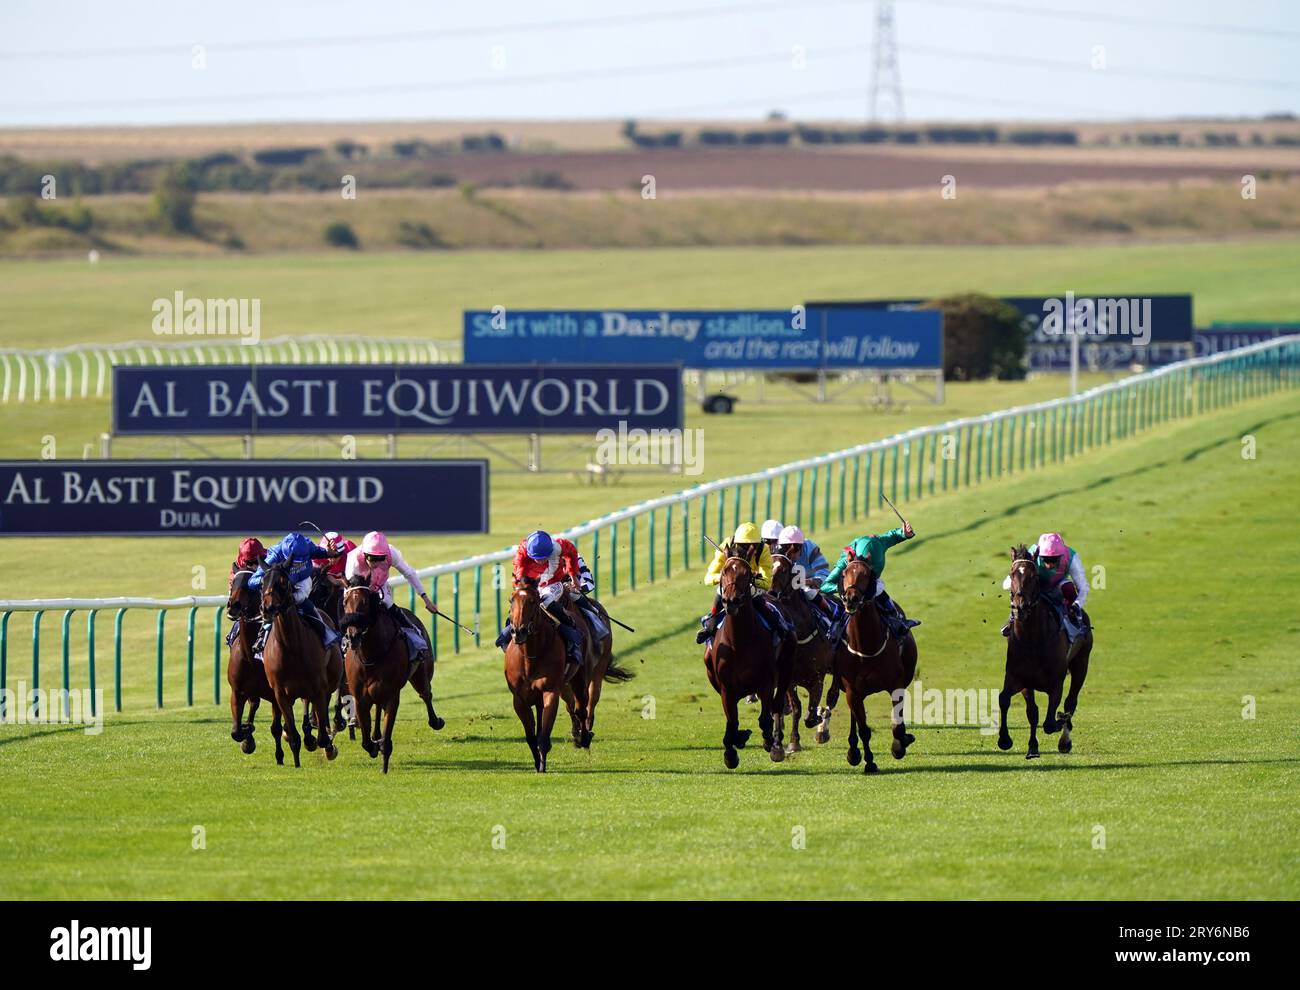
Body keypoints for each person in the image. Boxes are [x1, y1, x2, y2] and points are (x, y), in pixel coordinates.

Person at [494, 530, 600, 673]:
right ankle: (506, 635)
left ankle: (572, 639)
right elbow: (520, 571)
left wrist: (573, 576)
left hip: (553, 583)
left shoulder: (560, 546)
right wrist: (522, 587)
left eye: (544, 557)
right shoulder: (523, 550)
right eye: (536, 558)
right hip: (531, 584)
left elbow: (572, 554)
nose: (540, 561)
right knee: (520, 605)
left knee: (546, 601)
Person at [345, 531, 437, 662]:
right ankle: (342, 642)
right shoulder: (354, 559)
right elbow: (353, 588)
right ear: (364, 554)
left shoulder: (391, 553)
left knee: (389, 605)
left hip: (380, 585)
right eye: (372, 558)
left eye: (380, 558)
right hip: (357, 588)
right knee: (352, 609)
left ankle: (417, 642)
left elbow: (409, 573)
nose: (376, 563)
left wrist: (425, 598)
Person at [697, 521, 793, 646]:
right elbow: (708, 578)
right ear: (736, 543)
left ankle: (778, 626)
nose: (747, 550)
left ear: (757, 544)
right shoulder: (727, 546)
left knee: (757, 599)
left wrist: (749, 579)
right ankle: (710, 626)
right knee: (720, 592)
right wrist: (727, 577)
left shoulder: (762, 550)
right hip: (729, 585)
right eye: (742, 545)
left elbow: (767, 582)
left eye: (751, 545)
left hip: (751, 587)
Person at [820, 521, 921, 639]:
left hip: (870, 581)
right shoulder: (844, 563)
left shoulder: (879, 542)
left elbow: (893, 536)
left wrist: (904, 533)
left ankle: (899, 621)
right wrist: (842, 587)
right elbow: (824, 587)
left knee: (878, 587)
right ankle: (835, 626)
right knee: (848, 596)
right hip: (848, 588)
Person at [247, 531, 340, 655]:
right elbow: (251, 582)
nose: (298, 564)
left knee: (300, 600)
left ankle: (326, 633)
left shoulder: (307, 546)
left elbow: (320, 552)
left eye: (301, 561)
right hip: (281, 586)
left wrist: (330, 553)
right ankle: (262, 637)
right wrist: (267, 579)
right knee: (273, 605)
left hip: (302, 581)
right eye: (295, 561)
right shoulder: (274, 555)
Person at [1001, 532, 1089, 641]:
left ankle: (1076, 621)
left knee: (1068, 587)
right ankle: (1013, 618)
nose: (1050, 564)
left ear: (1061, 555)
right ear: (1039, 554)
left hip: (1058, 588)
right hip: (1037, 588)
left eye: (1054, 560)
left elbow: (1083, 587)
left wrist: (1077, 604)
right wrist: (1011, 582)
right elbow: (1017, 577)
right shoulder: (1032, 553)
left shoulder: (1072, 557)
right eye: (1046, 559)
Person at [773, 525, 841, 640]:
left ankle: (831, 617)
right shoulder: (776, 552)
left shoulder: (810, 548)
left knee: (808, 591)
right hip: (780, 589)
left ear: (798, 547)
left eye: (793, 549)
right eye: (783, 548)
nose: (787, 553)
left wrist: (810, 581)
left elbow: (824, 574)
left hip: (808, 587)